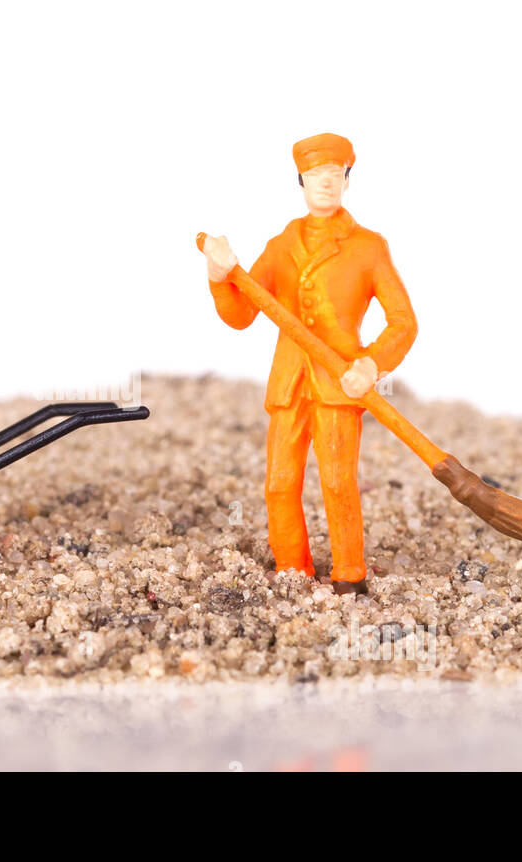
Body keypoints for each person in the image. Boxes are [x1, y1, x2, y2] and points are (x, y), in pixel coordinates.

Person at [202, 133, 417, 594]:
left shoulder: (368, 247)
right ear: (300, 181)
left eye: (335, 175)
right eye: (317, 176)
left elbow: (403, 322)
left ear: (347, 180)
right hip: (289, 384)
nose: (326, 184)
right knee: (280, 484)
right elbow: (241, 314)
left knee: (338, 484)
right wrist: (219, 277)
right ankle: (291, 570)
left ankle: (349, 576)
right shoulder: (282, 246)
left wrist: (371, 364)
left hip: (339, 383)